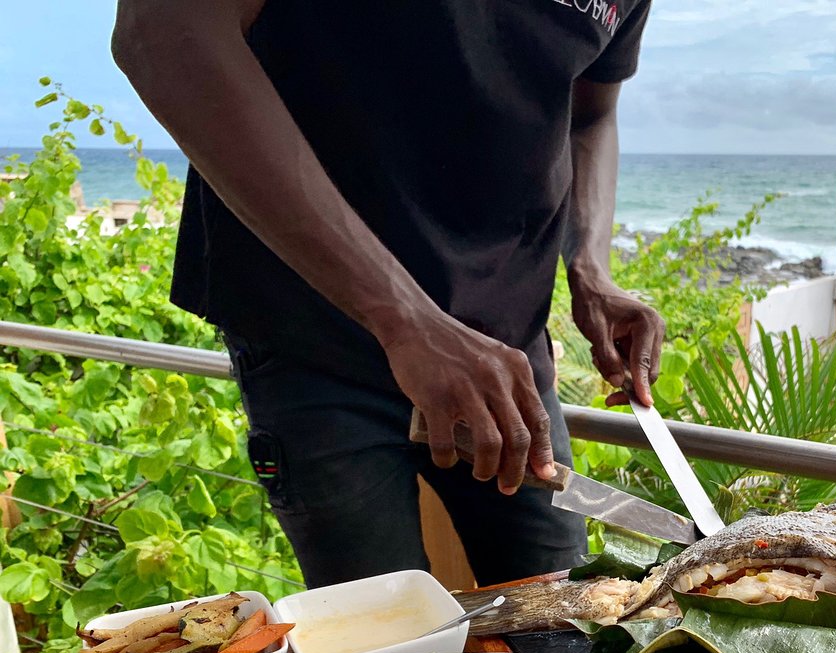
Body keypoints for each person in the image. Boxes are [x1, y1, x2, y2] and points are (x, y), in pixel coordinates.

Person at [112, 1, 660, 589]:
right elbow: (163, 32)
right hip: (318, 343)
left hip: (506, 357)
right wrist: (404, 319)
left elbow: (590, 115)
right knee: (384, 643)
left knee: (569, 625)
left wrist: (590, 267)